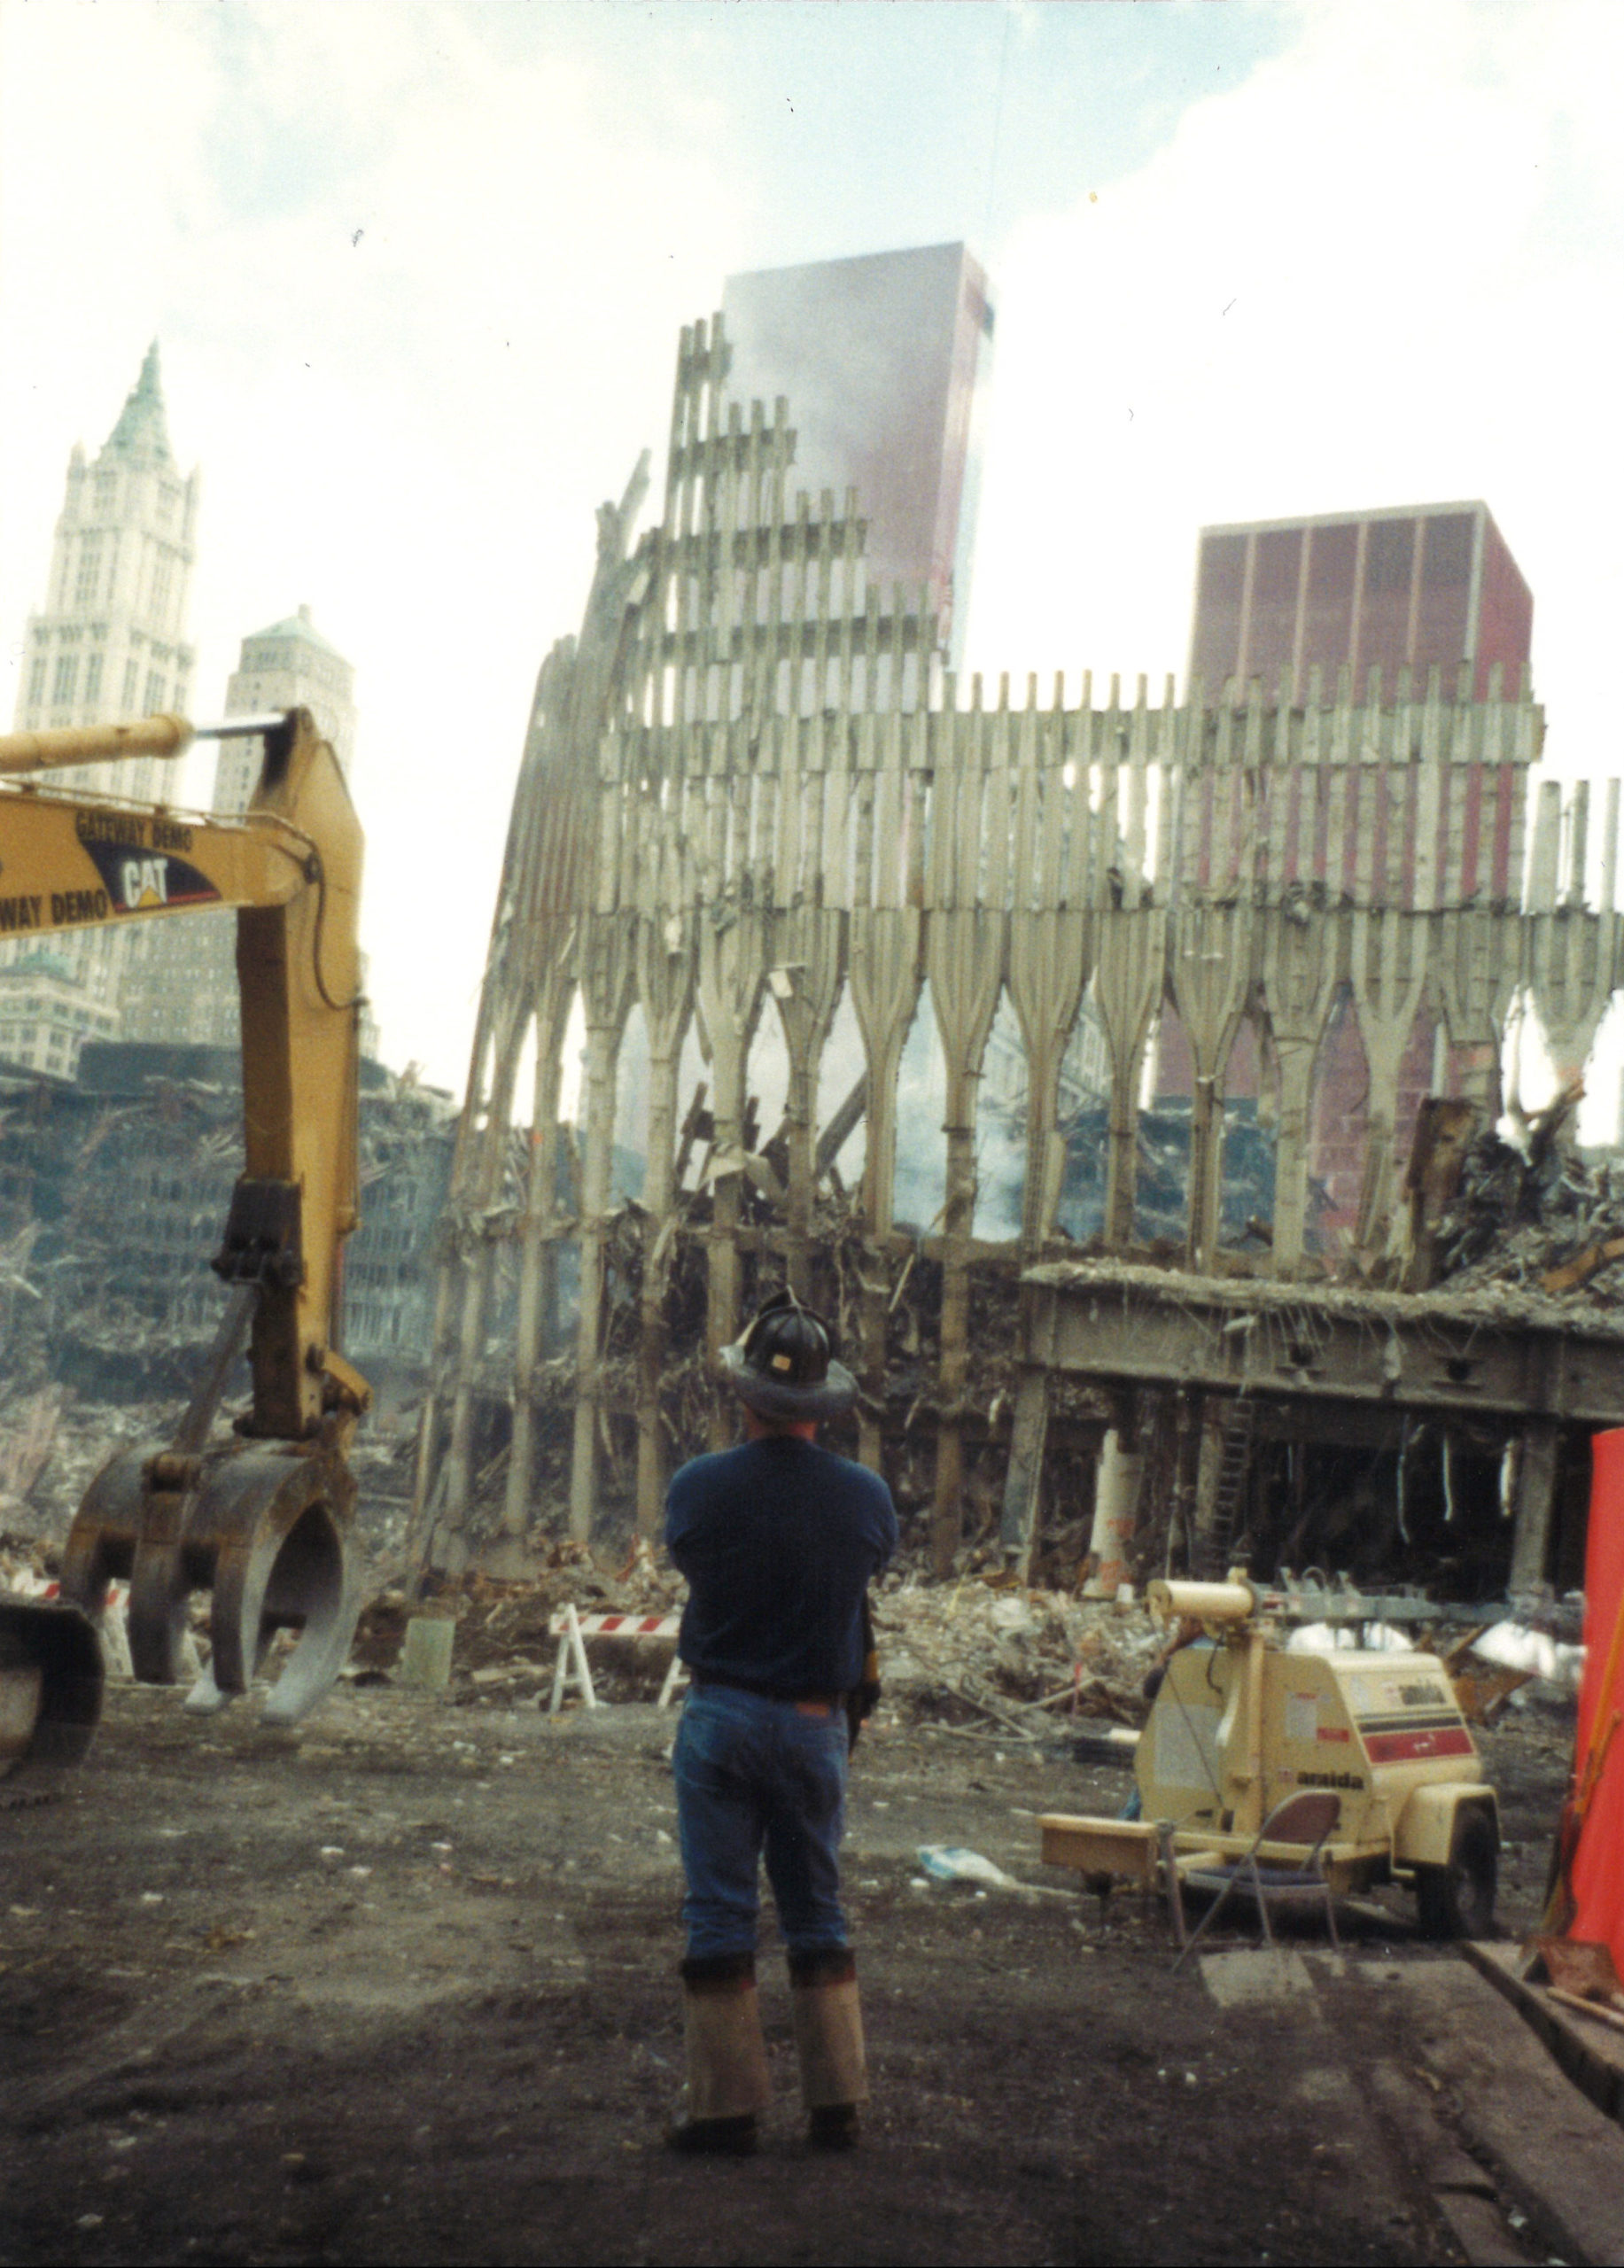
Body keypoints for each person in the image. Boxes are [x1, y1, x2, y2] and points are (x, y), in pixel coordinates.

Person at [664, 1289, 898, 2157]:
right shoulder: (865, 1499)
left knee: (719, 1910)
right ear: (823, 1404)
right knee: (814, 1904)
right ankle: (837, 2103)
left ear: (746, 1392)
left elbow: (689, 1553)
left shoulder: (698, 1488)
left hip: (720, 1716)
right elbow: (870, 1564)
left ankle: (724, 2109)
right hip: (812, 1724)